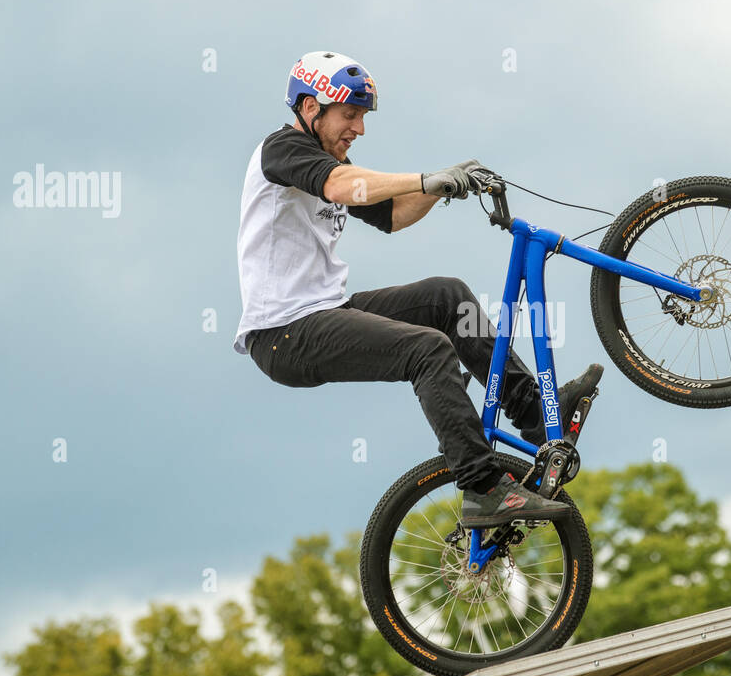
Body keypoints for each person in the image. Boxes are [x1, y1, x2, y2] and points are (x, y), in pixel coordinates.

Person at [233, 50, 601, 527]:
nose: (359, 129)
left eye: (363, 118)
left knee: (446, 297)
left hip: (324, 308)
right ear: (310, 109)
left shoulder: (333, 161)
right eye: (350, 115)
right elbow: (347, 187)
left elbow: (391, 215)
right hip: (283, 333)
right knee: (427, 350)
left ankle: (533, 416)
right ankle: (483, 487)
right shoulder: (282, 151)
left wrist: (442, 186)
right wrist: (425, 178)